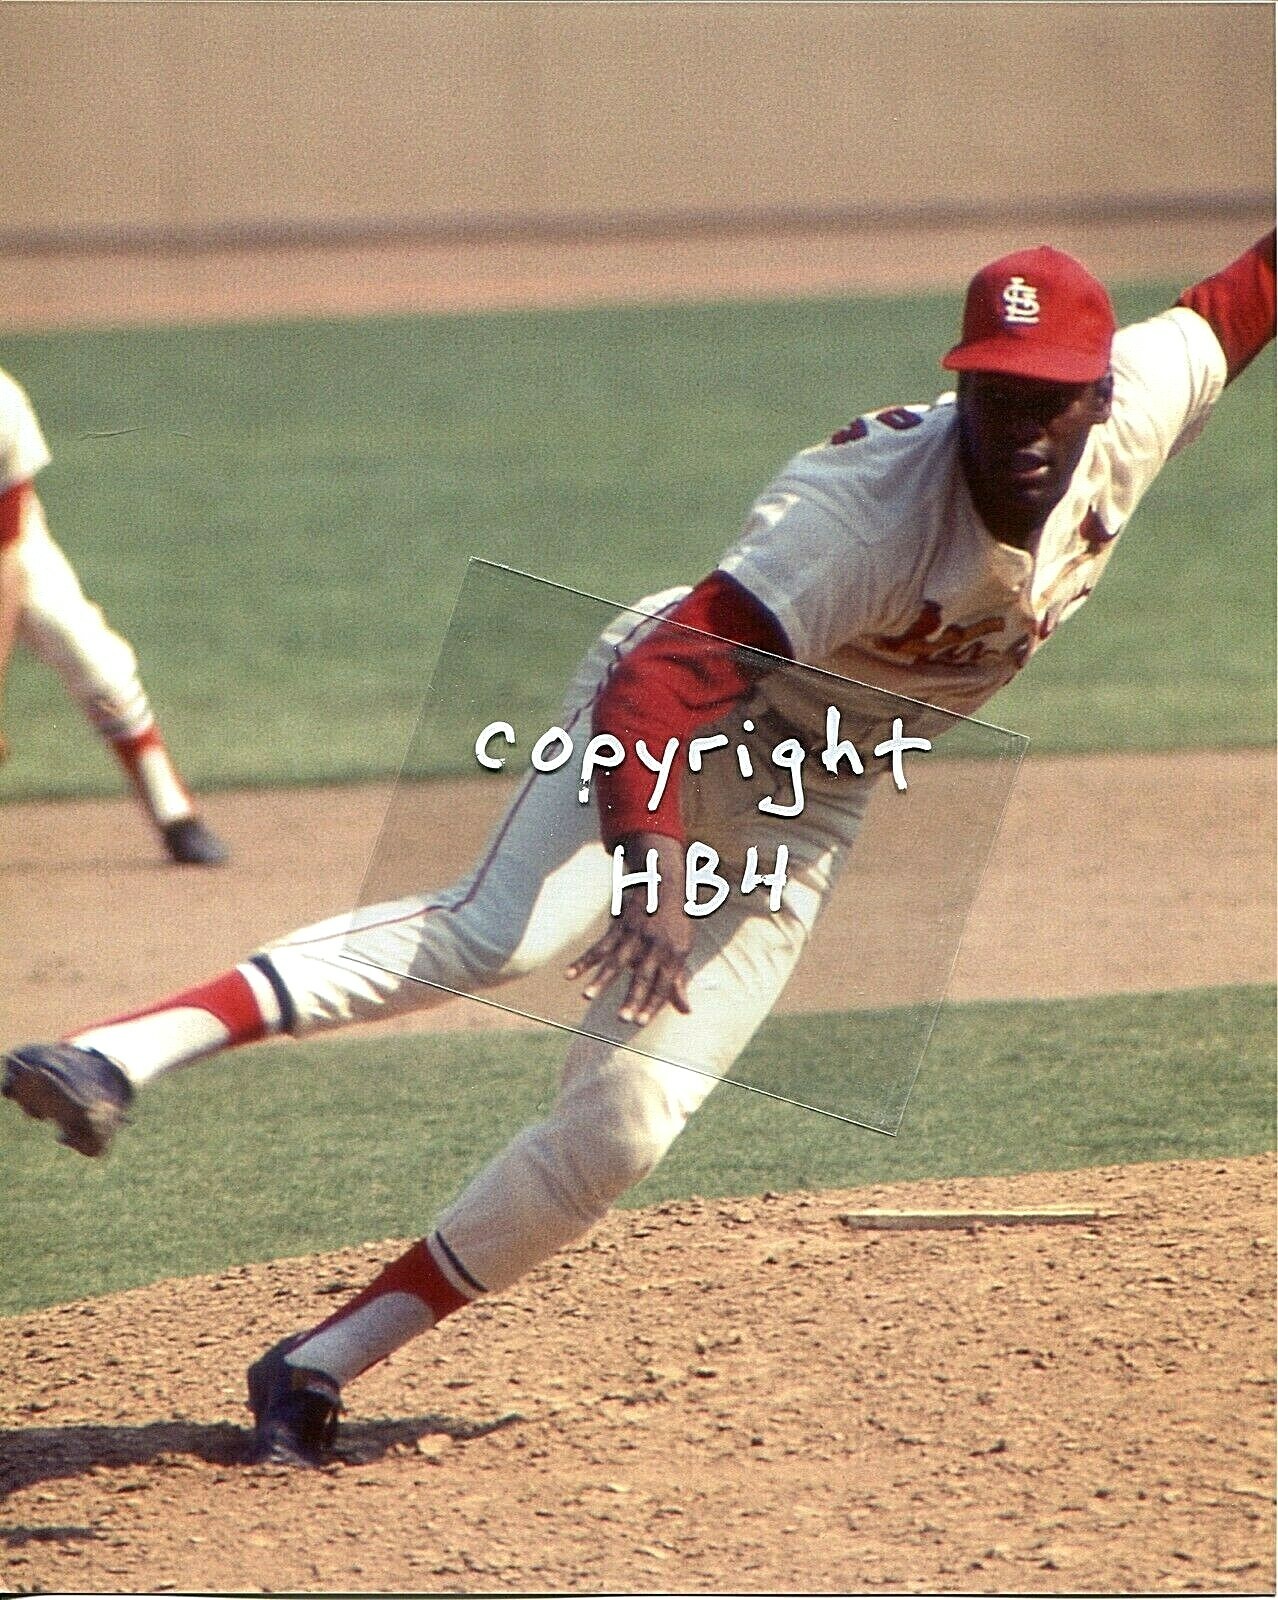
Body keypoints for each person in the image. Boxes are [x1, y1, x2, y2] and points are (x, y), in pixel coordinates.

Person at [4, 233, 1272, 1467]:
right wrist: (655, 876)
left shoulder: (1145, 403)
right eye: (996, 397)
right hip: (682, 708)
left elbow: (1241, 299)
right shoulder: (864, 520)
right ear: (961, 385)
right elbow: (663, 681)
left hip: (812, 785)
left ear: (1101, 393)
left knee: (629, 1123)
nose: (1025, 428)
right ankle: (113, 1055)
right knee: (501, 930)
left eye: (1052, 399)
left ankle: (319, 1361)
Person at [0, 367, 228, 866]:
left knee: (84, 648)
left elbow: (6, 565)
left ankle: (174, 812)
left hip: (7, 549)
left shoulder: (3, 404)